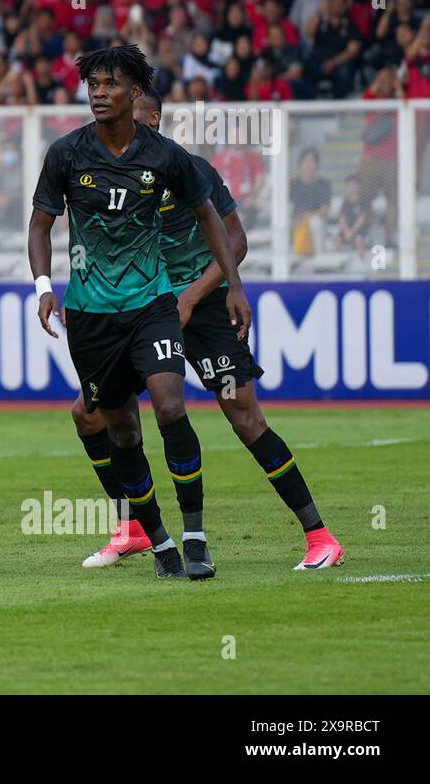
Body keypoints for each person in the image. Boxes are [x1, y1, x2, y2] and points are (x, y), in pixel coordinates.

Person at [73, 90, 345, 572]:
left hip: (203, 306)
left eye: (132, 118)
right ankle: (134, 528)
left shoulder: (189, 169)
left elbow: (236, 240)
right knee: (91, 414)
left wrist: (195, 295)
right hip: (144, 310)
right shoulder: (112, 174)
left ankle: (320, 536)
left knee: (243, 415)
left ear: (153, 117)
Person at [27, 44, 252, 580]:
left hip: (152, 303)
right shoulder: (66, 153)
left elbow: (209, 218)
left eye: (109, 84)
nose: (99, 93)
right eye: (93, 85)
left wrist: (234, 286)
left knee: (171, 406)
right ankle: (161, 542)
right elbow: (39, 225)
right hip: (89, 315)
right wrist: (43, 286)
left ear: (134, 92)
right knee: (123, 430)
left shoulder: (166, 155)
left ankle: (196, 538)